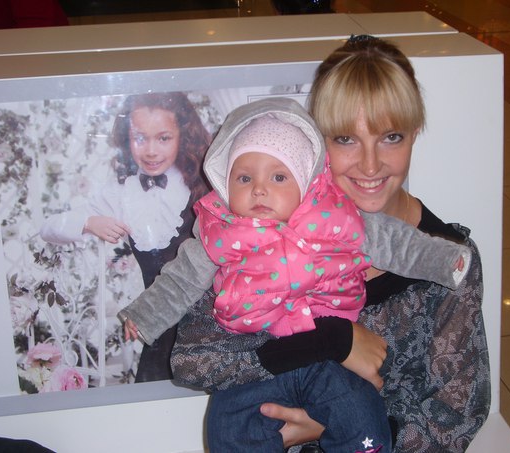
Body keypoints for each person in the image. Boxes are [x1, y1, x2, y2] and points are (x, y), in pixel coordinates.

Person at [170, 36, 491, 452]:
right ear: (316, 144)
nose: (370, 164)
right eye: (345, 139)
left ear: (415, 133)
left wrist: (337, 427)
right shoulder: (254, 233)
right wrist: (331, 339)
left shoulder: (446, 258)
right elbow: (191, 362)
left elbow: (456, 416)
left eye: (391, 137)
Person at [40, 91, 210, 382]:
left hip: (211, 328)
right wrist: (89, 222)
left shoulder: (204, 182)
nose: (151, 151)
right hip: (158, 326)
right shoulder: (123, 194)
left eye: (163, 138)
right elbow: (49, 227)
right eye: (140, 138)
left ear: (183, 137)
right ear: (126, 138)